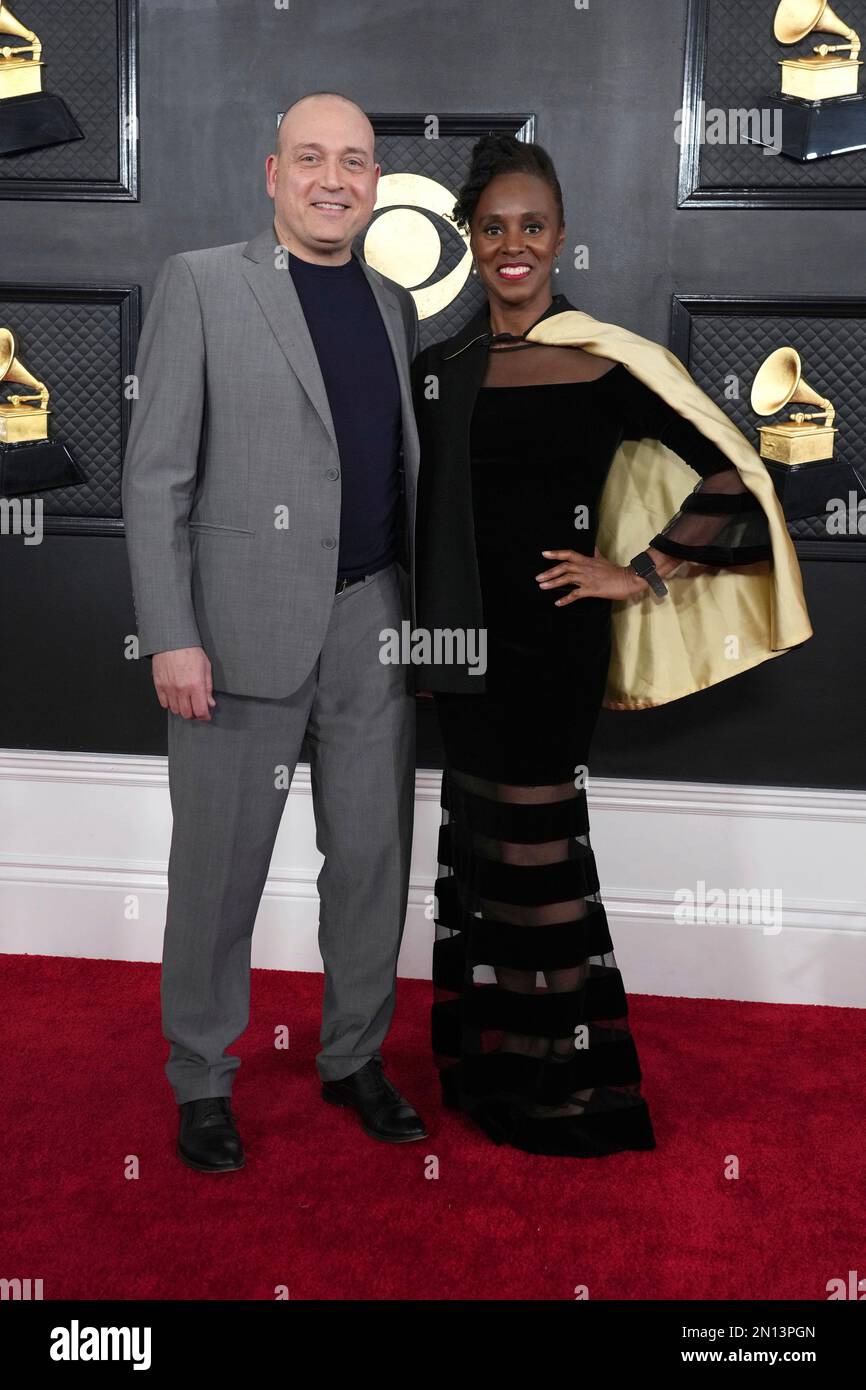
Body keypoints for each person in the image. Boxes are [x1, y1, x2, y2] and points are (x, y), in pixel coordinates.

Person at [411, 133, 812, 1158]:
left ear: (558, 239)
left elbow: (730, 472)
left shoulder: (605, 363)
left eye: (531, 227)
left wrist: (637, 573)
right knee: (484, 851)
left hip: (551, 645)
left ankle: (569, 1088)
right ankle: (498, 1066)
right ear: (468, 237)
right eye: (492, 226)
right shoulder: (436, 369)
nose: (512, 245)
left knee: (538, 852)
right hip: (459, 649)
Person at [122, 92, 427, 1173]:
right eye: (310, 158)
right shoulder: (204, 284)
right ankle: (202, 1078)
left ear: (374, 182)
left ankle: (352, 1057)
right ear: (271, 173)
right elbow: (155, 475)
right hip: (232, 633)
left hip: (371, 622)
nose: (331, 178)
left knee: (372, 861)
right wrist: (170, 632)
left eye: (352, 160)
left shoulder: (393, 306)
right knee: (217, 869)